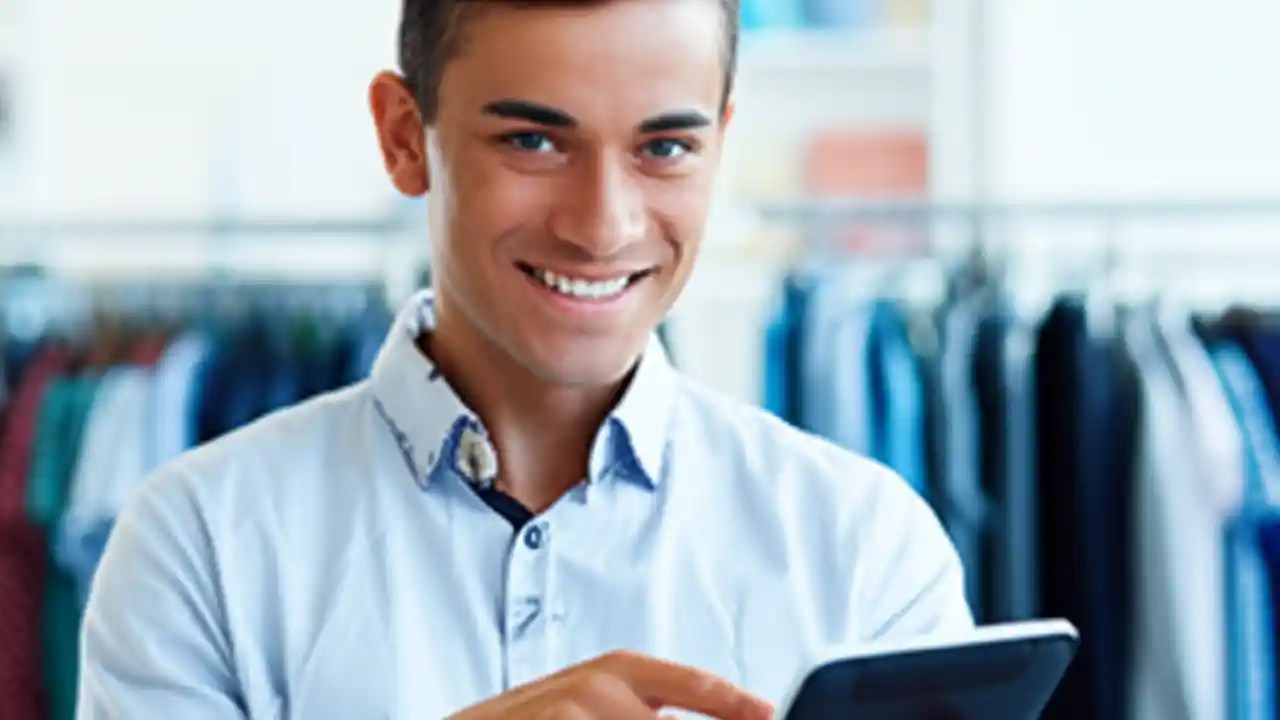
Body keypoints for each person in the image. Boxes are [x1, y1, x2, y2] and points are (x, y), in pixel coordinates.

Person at [77, 0, 973, 717]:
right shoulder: (197, 548)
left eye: (665, 148)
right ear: (401, 135)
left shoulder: (866, 552)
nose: (603, 225)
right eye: (533, 141)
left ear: (719, 147)